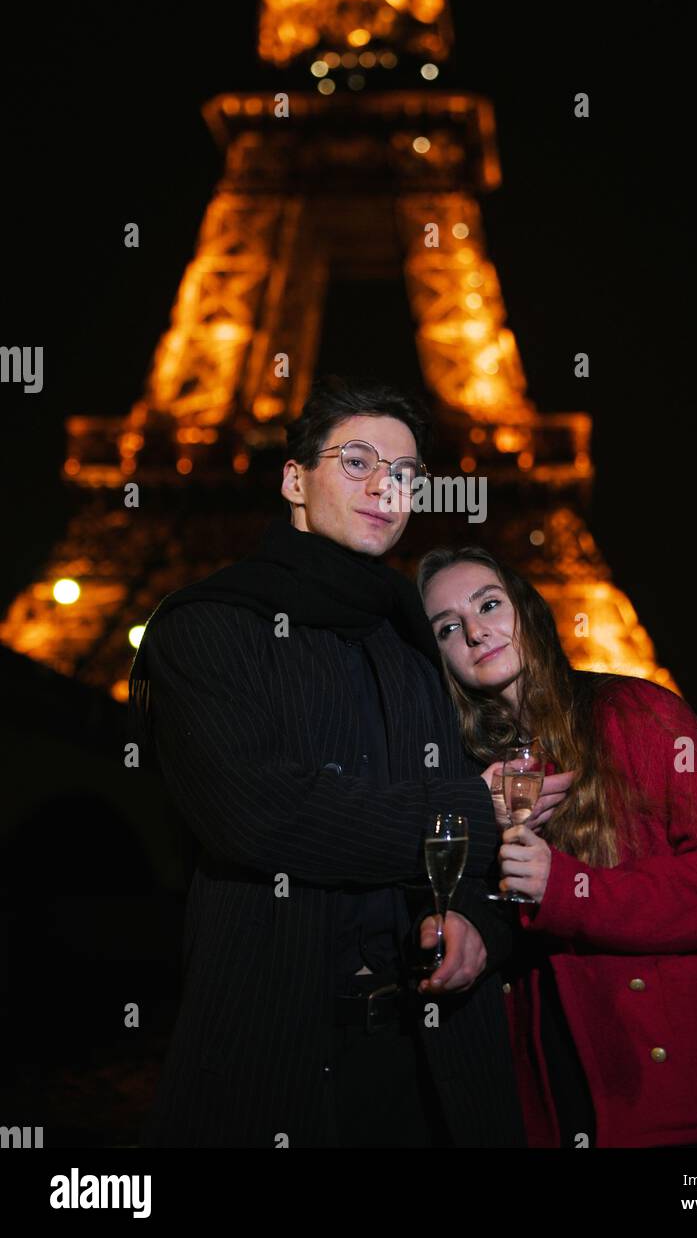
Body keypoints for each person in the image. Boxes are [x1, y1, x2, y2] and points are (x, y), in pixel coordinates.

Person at [129, 376, 571, 1148]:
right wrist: (472, 807)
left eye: (403, 474)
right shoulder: (208, 628)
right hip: (278, 1059)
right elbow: (259, 817)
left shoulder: (416, 642)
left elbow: (501, 873)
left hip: (434, 1069)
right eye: (358, 461)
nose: (385, 487)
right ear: (295, 479)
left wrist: (475, 924)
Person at [417, 544, 697, 1149]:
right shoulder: (465, 770)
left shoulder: (643, 714)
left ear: (530, 611)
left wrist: (568, 888)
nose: (474, 631)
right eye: (446, 628)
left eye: (489, 604)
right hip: (551, 1083)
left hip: (667, 1086)